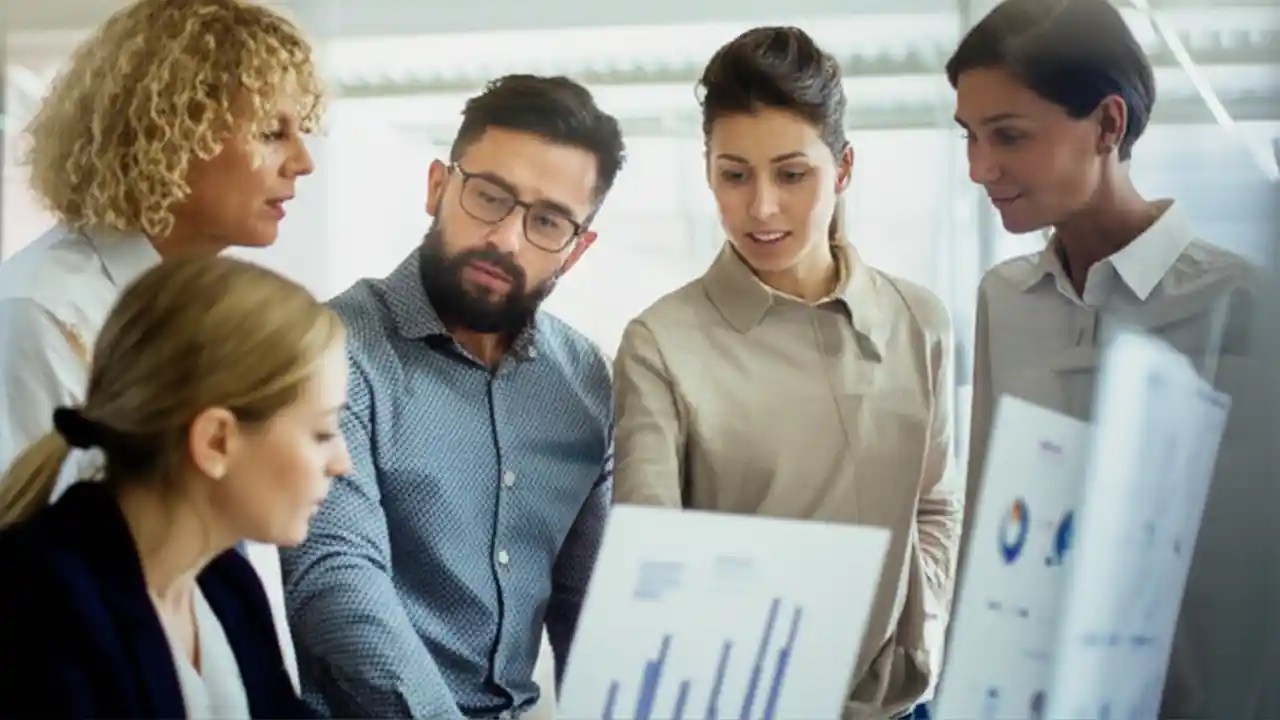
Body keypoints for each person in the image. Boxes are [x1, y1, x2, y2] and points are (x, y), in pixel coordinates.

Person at [612, 27, 961, 720]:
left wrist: (919, 629)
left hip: (907, 707)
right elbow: (651, 564)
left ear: (845, 167)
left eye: (792, 174)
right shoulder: (660, 344)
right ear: (707, 170)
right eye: (734, 174)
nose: (762, 206)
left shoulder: (919, 321)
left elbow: (935, 502)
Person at [279, 74, 626, 719]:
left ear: (577, 250)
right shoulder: (331, 349)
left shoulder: (585, 381)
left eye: (547, 221)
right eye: (490, 197)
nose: (506, 239)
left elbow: (592, 611)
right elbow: (336, 579)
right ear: (439, 186)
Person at [949, 0, 1257, 715]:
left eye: (1008, 136)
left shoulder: (1238, 302)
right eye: (968, 137)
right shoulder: (1005, 298)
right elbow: (990, 521)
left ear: (1108, 126)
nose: (978, 168)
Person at [0, 255, 350, 718]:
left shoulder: (225, 585)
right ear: (216, 440)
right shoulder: (39, 613)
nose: (343, 464)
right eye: (322, 433)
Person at [0, 0, 322, 476]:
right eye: (272, 133)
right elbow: (31, 538)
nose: (303, 162)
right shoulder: (40, 313)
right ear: (172, 133)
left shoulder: (217, 312)